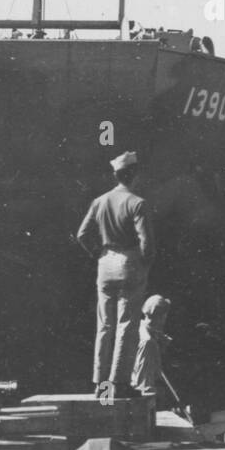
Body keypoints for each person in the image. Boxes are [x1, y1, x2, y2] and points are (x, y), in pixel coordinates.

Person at [76, 150, 155, 398]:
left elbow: (81, 235)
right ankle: (119, 384)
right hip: (129, 262)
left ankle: (100, 382)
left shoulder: (99, 201)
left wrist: (97, 253)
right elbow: (147, 243)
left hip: (105, 263)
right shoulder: (137, 203)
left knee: (104, 325)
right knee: (126, 325)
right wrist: (144, 264)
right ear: (134, 175)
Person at [132, 295, 171, 401]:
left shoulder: (139, 327)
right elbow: (144, 385)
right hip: (141, 400)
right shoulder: (148, 342)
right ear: (162, 316)